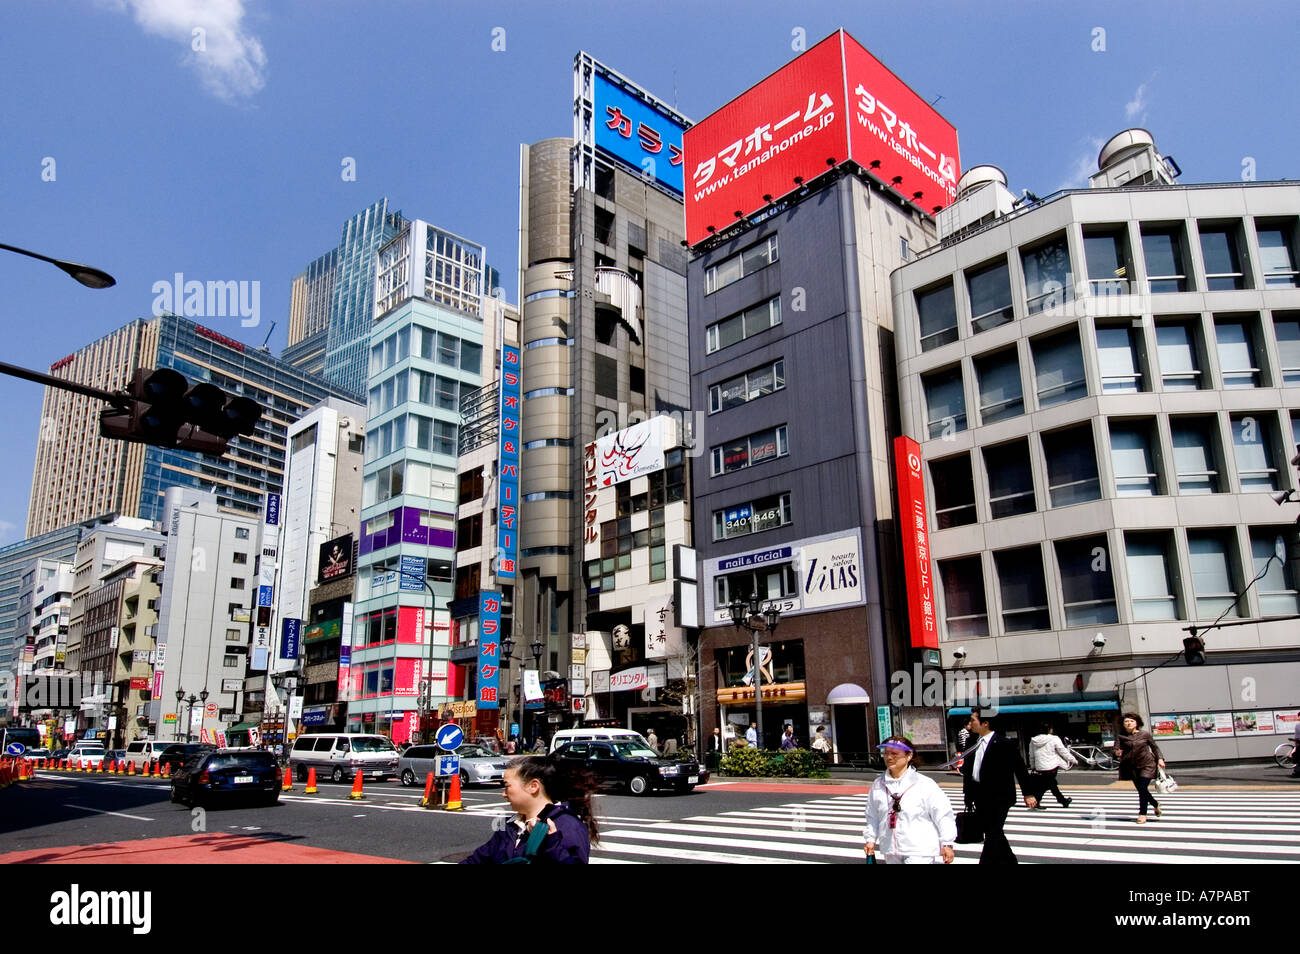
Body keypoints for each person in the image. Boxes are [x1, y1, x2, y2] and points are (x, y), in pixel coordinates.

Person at [461, 755, 598, 864]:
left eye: (507, 786)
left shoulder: (567, 825)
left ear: (533, 786)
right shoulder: (510, 826)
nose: (503, 793)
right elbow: (480, 859)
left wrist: (550, 843)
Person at [864, 736, 956, 864]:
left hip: (920, 849)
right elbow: (872, 815)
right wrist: (870, 839)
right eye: (886, 753)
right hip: (891, 849)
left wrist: (947, 842)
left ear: (909, 756)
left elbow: (942, 814)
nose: (889, 757)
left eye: (895, 754)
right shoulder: (878, 784)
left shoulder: (924, 784)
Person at [960, 708, 1036, 863]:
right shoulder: (972, 742)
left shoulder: (1004, 744)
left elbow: (1020, 769)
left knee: (993, 832)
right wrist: (967, 795)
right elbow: (968, 771)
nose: (970, 724)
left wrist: (1028, 793)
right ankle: (1010, 861)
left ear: (985, 723)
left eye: (973, 720)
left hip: (1000, 797)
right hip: (979, 795)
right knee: (993, 832)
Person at [1115, 713, 1166, 823]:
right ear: (1123, 724)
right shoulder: (1121, 736)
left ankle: (1142, 813)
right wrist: (1117, 752)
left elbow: (1154, 747)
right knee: (1141, 789)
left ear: (1137, 723)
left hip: (1147, 764)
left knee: (1142, 787)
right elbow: (1115, 749)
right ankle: (1155, 804)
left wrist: (1160, 759)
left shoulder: (1145, 734)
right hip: (1131, 766)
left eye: (1131, 721)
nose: (1129, 723)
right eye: (1126, 721)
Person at [1027, 722, 1076, 808]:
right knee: (1049, 783)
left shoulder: (1033, 740)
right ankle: (1062, 800)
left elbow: (1031, 755)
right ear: (1049, 729)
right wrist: (1073, 759)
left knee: (1047, 784)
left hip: (1040, 767)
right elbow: (1062, 751)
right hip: (1051, 766)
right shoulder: (1054, 738)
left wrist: (1033, 766)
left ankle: (1061, 800)